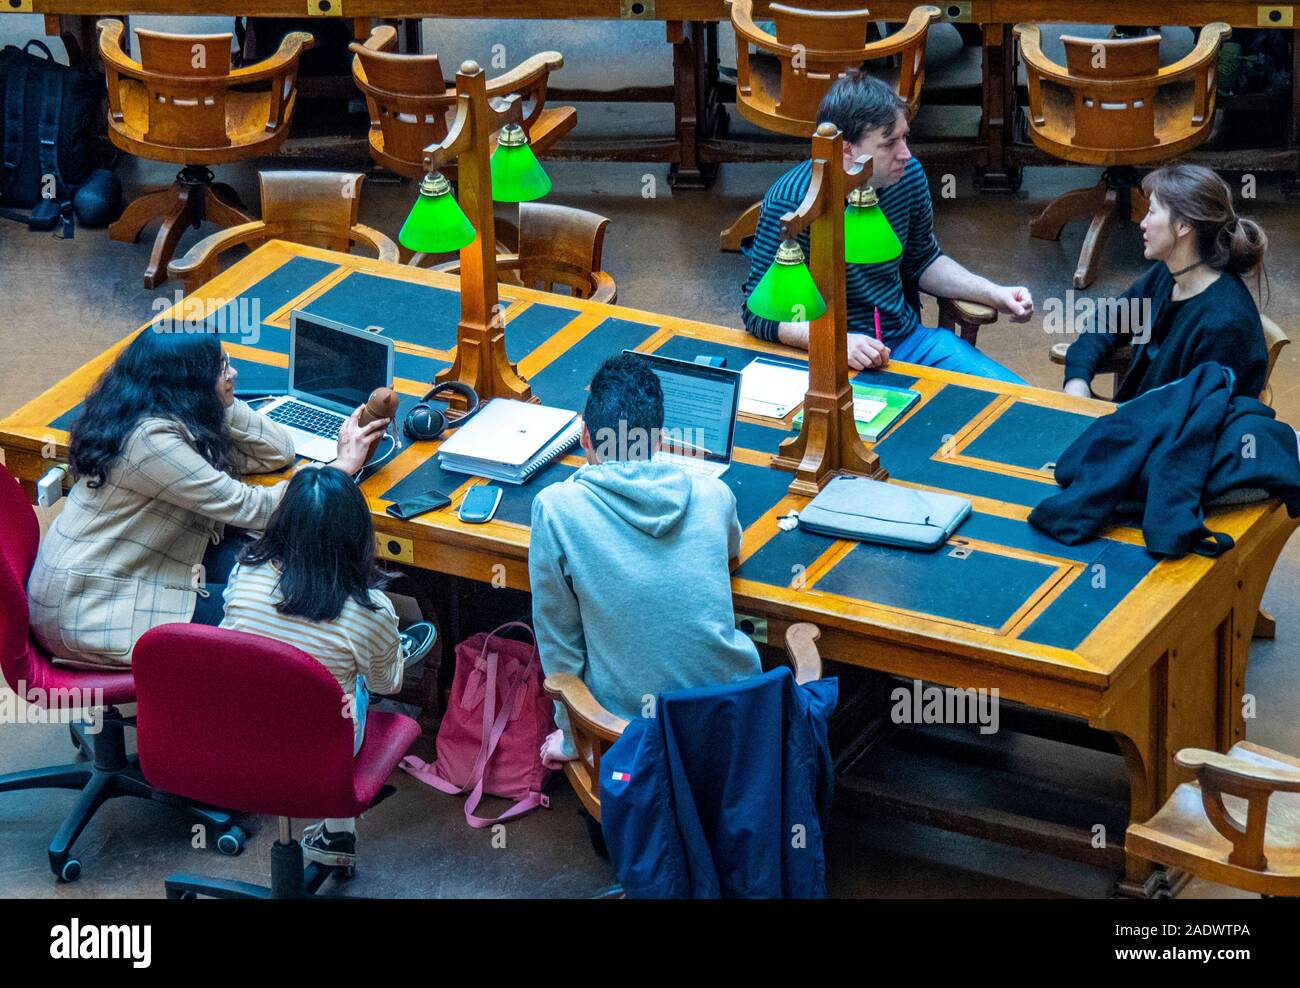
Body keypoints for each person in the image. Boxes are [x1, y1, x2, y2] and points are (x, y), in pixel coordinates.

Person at [26, 329, 389, 668]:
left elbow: (277, 451)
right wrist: (339, 468)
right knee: (276, 619)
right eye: (221, 369)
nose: (234, 372)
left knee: (278, 574)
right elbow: (252, 508)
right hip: (91, 609)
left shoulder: (159, 412)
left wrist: (218, 398)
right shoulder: (150, 441)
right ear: (188, 385)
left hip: (127, 573)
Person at [529, 353, 763, 765]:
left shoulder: (556, 510)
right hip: (739, 728)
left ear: (584, 436)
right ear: (658, 441)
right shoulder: (713, 495)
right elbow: (730, 548)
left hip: (630, 741)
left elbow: (559, 645)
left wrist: (571, 738)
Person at [741, 71, 1034, 382]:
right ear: (845, 150)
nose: (905, 154)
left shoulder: (907, 176)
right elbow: (757, 315)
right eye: (889, 143)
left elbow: (923, 260)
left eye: (905, 137)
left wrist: (994, 293)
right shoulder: (793, 203)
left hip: (905, 344)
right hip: (823, 359)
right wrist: (833, 341)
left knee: (1026, 404)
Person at [219, 466, 436, 868]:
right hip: (321, 751)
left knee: (304, 673)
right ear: (357, 535)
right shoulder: (370, 610)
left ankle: (337, 833)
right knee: (352, 683)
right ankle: (337, 830)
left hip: (238, 734)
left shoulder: (244, 571)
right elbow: (387, 686)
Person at [1063, 164, 1269, 403]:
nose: (1142, 223)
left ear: (1183, 226)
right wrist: (1077, 381)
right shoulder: (1168, 274)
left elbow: (1194, 422)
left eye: (1152, 211)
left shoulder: (1224, 325)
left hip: (1165, 434)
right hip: (1139, 423)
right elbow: (1111, 320)